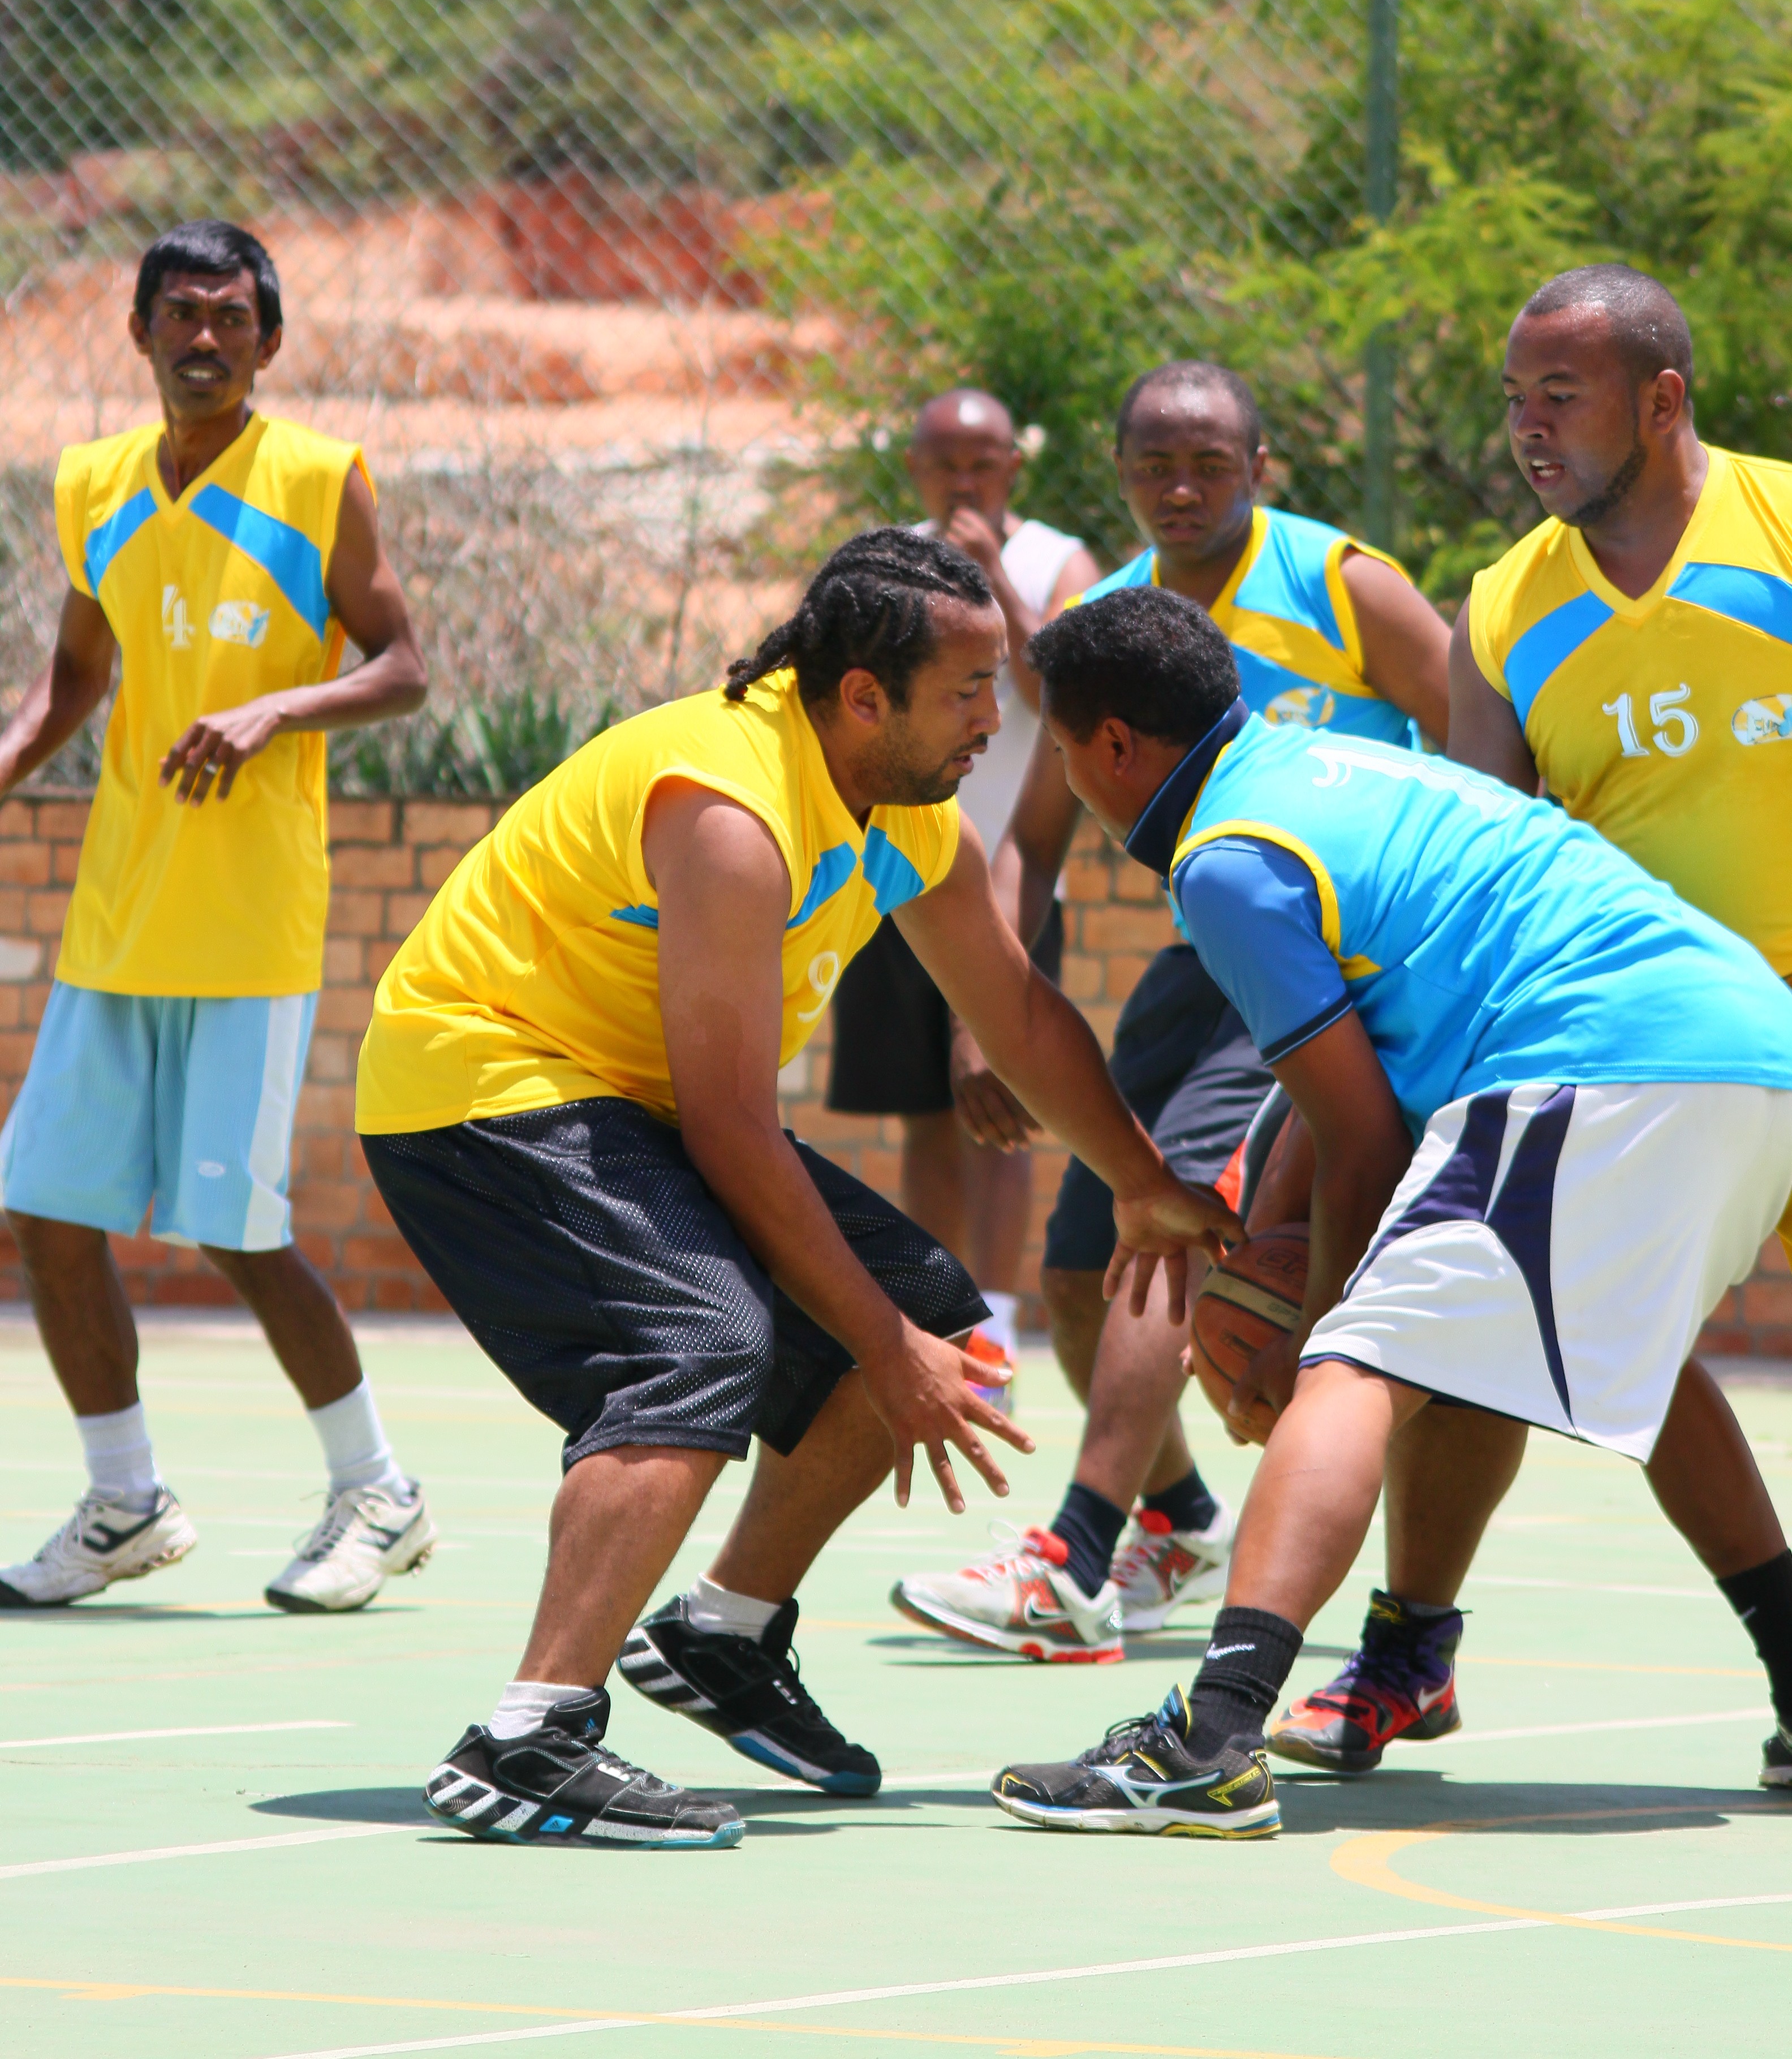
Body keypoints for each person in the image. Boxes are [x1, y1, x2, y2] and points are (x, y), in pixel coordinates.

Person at [353, 531, 1235, 1851]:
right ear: (862, 697)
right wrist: (883, 1358)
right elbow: (729, 1129)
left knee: (930, 1312)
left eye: (1000, 688)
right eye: (967, 693)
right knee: (702, 1345)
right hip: (482, 1086)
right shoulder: (730, 812)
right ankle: (527, 1737)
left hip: (627, 1100)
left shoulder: (908, 812)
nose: (996, 724)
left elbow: (1020, 1012)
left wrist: (1147, 1186)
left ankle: (725, 1634)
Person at [990, 583, 1792, 1834]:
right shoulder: (1321, 764)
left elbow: (1361, 1143)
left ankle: (1212, 1737)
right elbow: (1335, 1108)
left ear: (1111, 746)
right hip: (1741, 1052)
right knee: (1624, 1361)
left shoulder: (1226, 863)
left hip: (1600, 1055)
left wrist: (1315, 1348)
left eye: (1054, 741)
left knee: (1364, 1367)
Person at [1276, 264, 1792, 1789]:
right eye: (1512, 402)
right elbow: (1490, 855)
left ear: (1663, 398)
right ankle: (1408, 1655)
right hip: (1645, 1037)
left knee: (1547, 1331)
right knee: (1491, 1316)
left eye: (1557, 396)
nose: (1526, 430)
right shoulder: (1506, 608)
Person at [894, 359, 1450, 1657]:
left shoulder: (1342, 582)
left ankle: (1074, 1558)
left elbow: (1477, 722)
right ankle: (1178, 1517)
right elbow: (1030, 835)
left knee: (1176, 1227)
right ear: (1122, 475)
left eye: (1211, 463)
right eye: (1156, 467)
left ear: (1262, 467)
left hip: (1336, 961)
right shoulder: (1114, 616)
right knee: (1079, 1280)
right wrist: (985, 1015)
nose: (1183, 487)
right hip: (1203, 958)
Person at [0, 219, 434, 1614]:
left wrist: (277, 705)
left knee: (237, 1233)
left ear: (268, 342)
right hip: (116, 920)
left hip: (250, 927)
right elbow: (70, 681)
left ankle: (379, 1490)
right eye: (180, 316)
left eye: (231, 319)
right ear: (137, 334)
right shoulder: (91, 485)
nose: (203, 339)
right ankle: (125, 1503)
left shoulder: (317, 481)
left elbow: (406, 667)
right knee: (48, 1214)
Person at [825, 390, 1097, 1383]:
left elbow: (1058, 691)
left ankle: (999, 1315)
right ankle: (930, 1305)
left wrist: (994, 583)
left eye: (983, 462)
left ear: (1012, 466)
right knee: (924, 1110)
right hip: (889, 876)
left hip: (1008, 885)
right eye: (945, 464)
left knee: (1002, 1104)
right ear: (916, 467)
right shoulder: (889, 562)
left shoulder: (1056, 562)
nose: (964, 482)